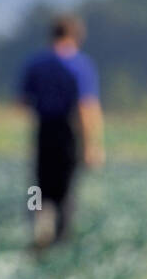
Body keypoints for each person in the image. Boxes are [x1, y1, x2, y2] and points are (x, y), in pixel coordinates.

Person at [17, 14, 105, 247]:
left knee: (40, 184)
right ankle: (59, 240)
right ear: (76, 36)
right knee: (65, 190)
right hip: (69, 131)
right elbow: (86, 108)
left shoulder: (36, 63)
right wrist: (92, 146)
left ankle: (38, 226)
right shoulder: (79, 65)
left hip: (44, 129)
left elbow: (23, 101)